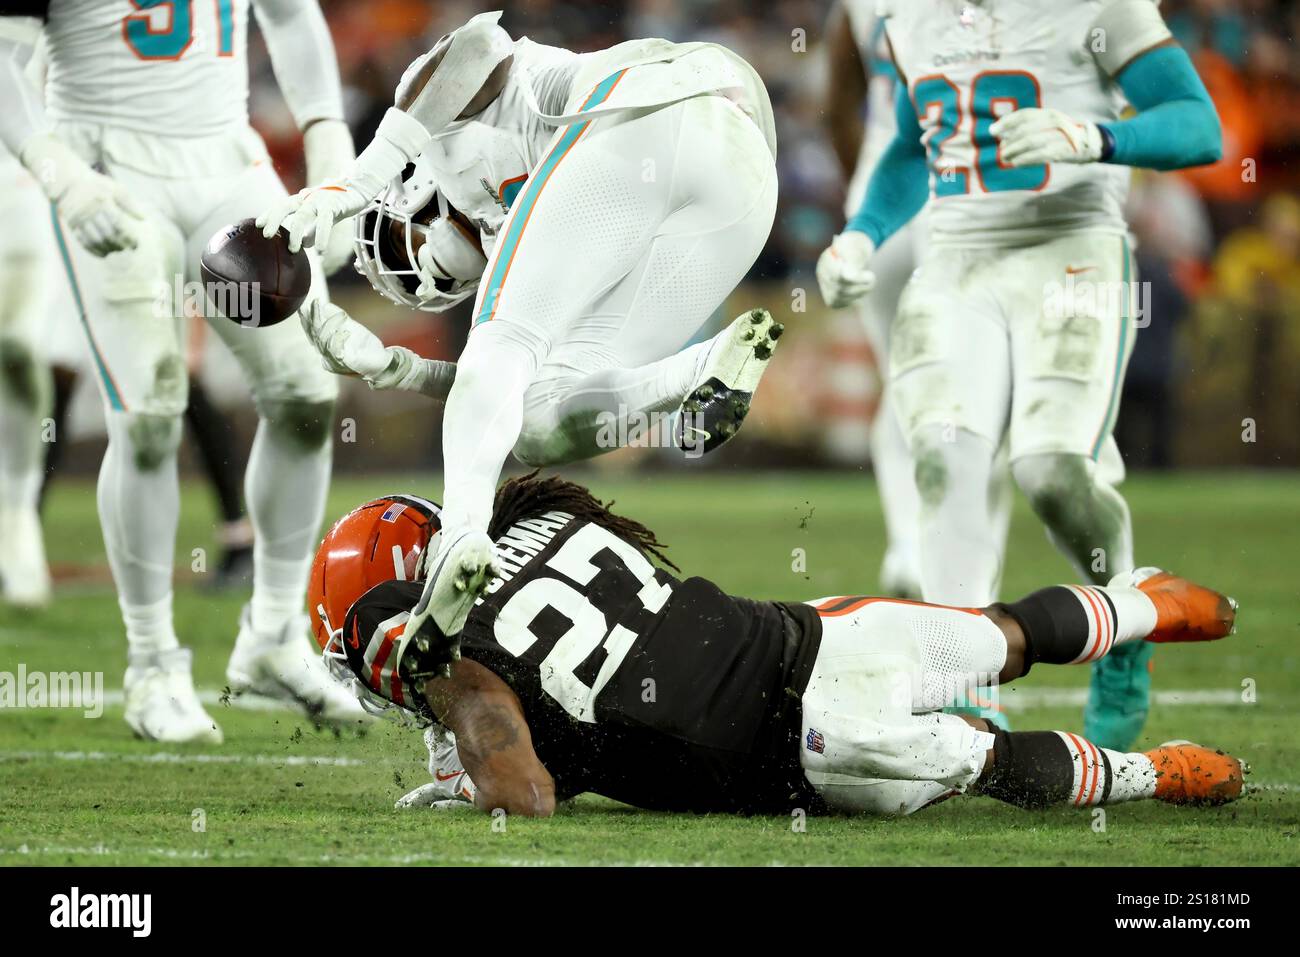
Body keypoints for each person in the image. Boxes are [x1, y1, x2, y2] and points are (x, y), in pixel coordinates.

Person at [259, 10, 784, 654]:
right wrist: (400, 370)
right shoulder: (537, 223)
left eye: (406, 241)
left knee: (505, 340)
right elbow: (508, 404)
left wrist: (352, 184)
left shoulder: (430, 122)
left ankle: (458, 539)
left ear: (403, 190)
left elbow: (479, 43)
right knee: (538, 417)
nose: (427, 267)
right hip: (743, 183)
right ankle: (696, 373)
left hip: (651, 108)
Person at [311, 472, 1242, 817]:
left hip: (805, 742)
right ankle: (1145, 606)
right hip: (816, 628)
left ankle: (1158, 774)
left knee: (984, 760)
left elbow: (531, 794)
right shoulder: (538, 513)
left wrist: (448, 688)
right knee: (999, 634)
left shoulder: (470, 666)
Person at [814, 0, 1223, 750]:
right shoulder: (911, 18)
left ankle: (1125, 621)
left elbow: (1199, 125)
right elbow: (912, 145)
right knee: (942, 456)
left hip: (1071, 249)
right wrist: (861, 235)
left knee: (1052, 470)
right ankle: (963, 683)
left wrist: (1097, 137)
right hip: (956, 257)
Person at [0, 0, 366, 742]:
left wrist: (329, 142)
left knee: (306, 392)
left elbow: (292, 17)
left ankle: (272, 633)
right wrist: (58, 170)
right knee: (149, 414)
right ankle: (152, 664)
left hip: (230, 160)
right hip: (105, 160)